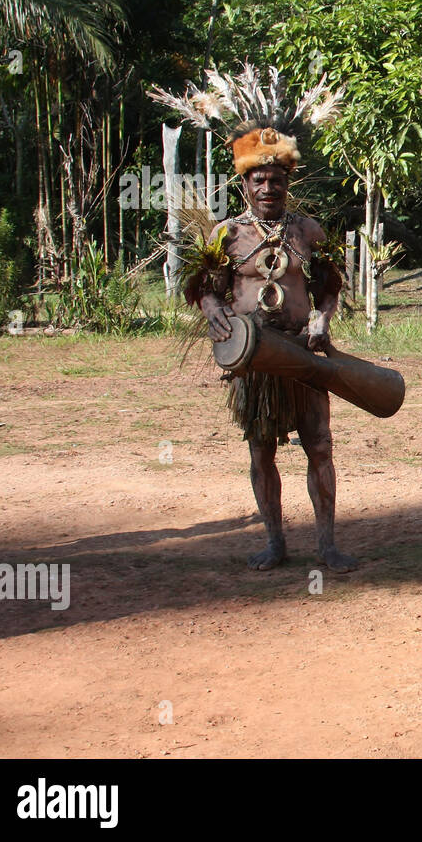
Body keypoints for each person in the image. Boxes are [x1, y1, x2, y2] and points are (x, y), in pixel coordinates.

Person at [150, 66, 356, 572]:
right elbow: (200, 288)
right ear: (244, 183)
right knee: (261, 450)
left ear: (288, 181)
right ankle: (275, 541)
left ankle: (326, 545)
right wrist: (216, 310)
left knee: (320, 447)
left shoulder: (308, 231)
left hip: (303, 356)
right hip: (255, 357)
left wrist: (323, 320)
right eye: (259, 179)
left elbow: (330, 285)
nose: (269, 188)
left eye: (277, 179)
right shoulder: (225, 235)